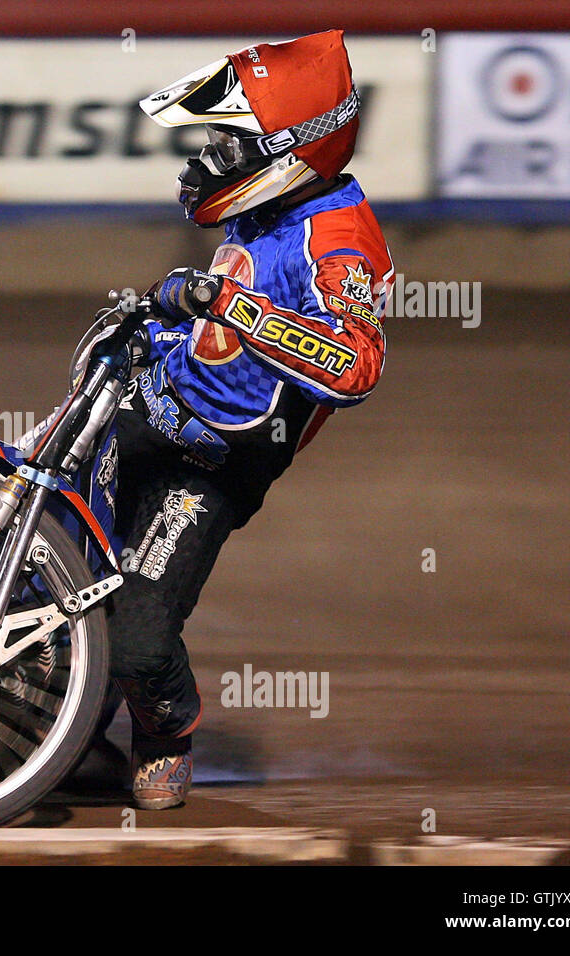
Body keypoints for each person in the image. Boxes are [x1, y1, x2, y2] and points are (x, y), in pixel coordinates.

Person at [112, 30, 394, 808]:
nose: (208, 159)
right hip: (147, 406)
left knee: (133, 638)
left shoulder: (340, 243)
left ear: (295, 151)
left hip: (210, 467)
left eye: (228, 144)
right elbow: (215, 331)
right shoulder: (276, 197)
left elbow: (355, 365)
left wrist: (230, 304)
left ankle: (163, 736)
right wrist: (160, 322)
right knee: (3, 498)